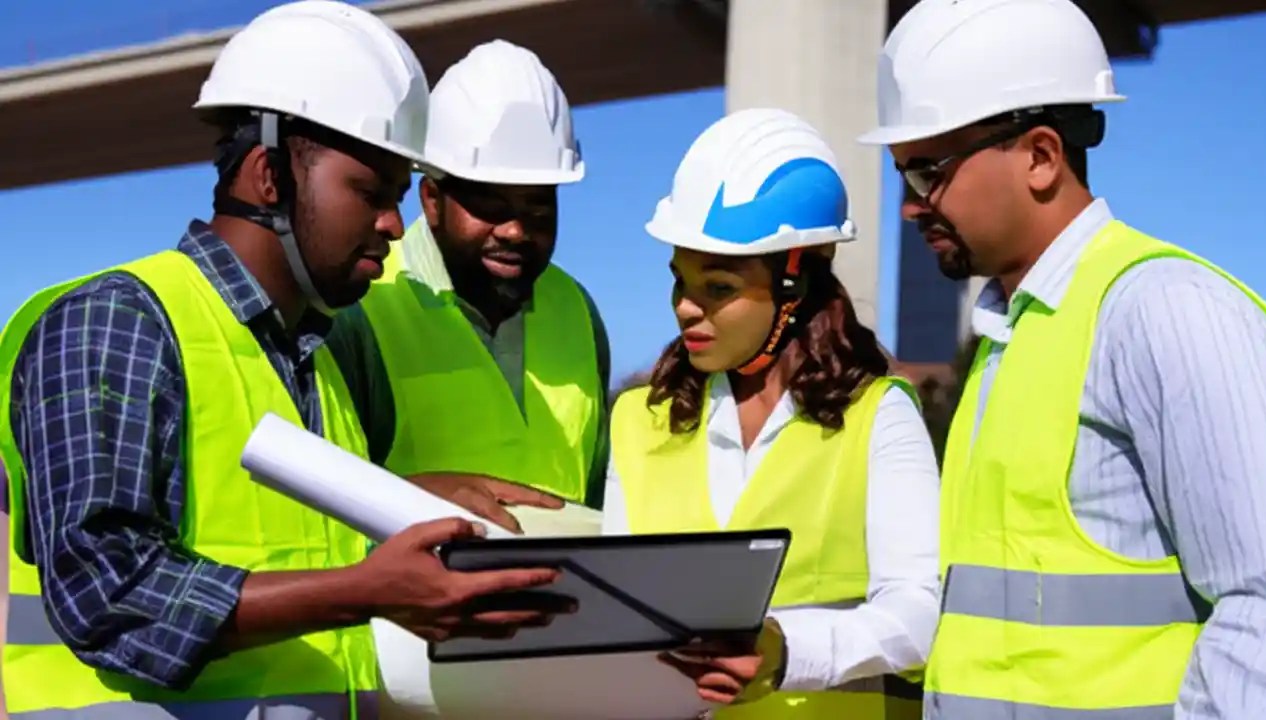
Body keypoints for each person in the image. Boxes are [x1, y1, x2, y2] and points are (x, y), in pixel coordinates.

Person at [0, 4, 570, 718]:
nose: (395, 225)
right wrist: (367, 591)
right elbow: (105, 591)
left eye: (398, 197)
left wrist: (402, 499)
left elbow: (275, 542)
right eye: (370, 193)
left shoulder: (316, 357)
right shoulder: (116, 321)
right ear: (269, 175)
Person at [857, 0, 1266, 717]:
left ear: (1041, 156)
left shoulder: (1166, 311)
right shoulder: (1007, 341)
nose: (910, 204)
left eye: (927, 172)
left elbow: (1265, 608)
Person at [605, 108, 941, 719]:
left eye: (718, 287)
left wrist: (788, 651)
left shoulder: (879, 416)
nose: (685, 307)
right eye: (680, 280)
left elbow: (919, 614)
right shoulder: (636, 421)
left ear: (795, 283)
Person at [327, 39, 611, 529]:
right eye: (489, 204)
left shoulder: (578, 311)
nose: (515, 230)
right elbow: (321, 502)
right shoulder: (364, 307)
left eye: (538, 206)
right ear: (431, 198)